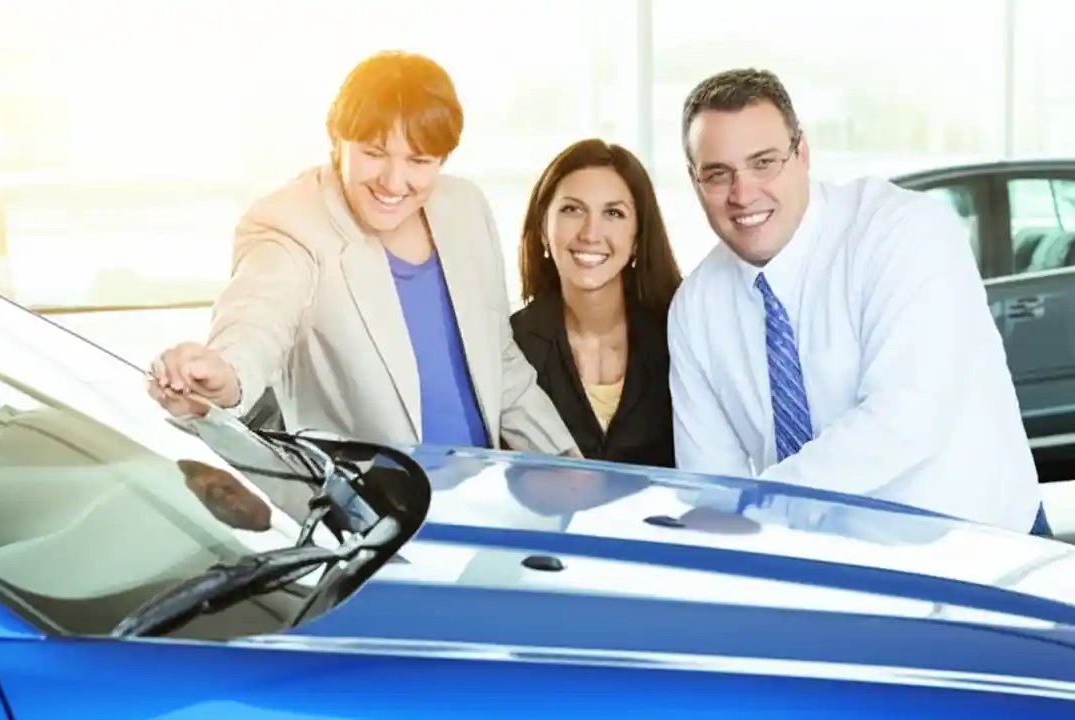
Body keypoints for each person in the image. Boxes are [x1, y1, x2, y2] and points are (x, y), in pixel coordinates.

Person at [666, 68, 1046, 535]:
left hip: (983, 555)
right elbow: (712, 489)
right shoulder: (694, 309)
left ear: (802, 154)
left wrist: (759, 504)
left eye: (764, 162)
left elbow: (906, 421)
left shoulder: (903, 231)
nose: (743, 194)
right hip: (829, 573)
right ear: (693, 180)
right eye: (718, 174)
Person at [149, 51, 577, 457]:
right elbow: (257, 318)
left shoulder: (464, 208)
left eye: (419, 160)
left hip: (479, 499)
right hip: (368, 514)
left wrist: (571, 466)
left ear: (443, 159)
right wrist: (226, 376)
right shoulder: (290, 221)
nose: (394, 181)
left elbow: (500, 363)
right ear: (338, 141)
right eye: (374, 154)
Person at [511, 139, 681, 466]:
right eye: (572, 209)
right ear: (544, 229)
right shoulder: (512, 346)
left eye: (614, 213)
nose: (591, 233)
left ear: (637, 238)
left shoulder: (678, 335)